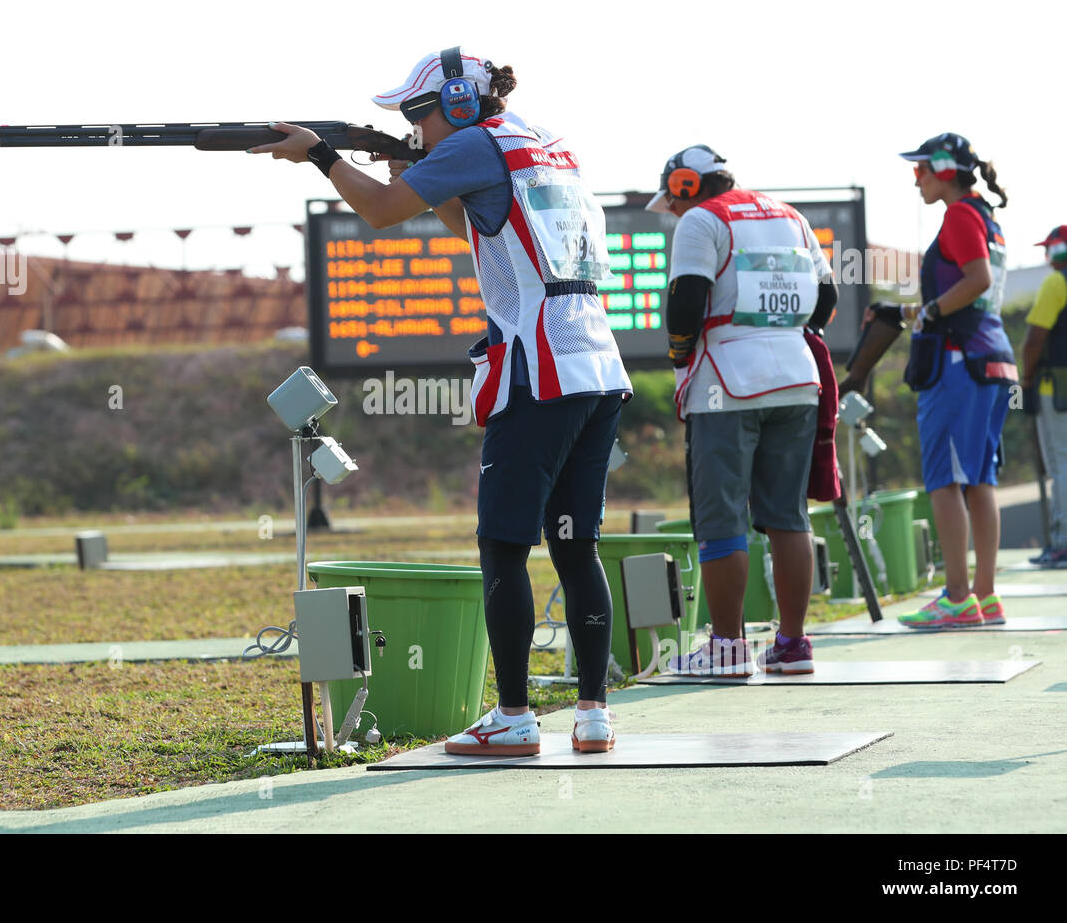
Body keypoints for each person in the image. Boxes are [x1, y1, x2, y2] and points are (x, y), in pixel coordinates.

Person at [250, 48, 632, 756]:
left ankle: (515, 717)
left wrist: (321, 155)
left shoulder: (477, 145)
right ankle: (592, 715)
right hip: (596, 365)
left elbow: (379, 212)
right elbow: (485, 227)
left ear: (457, 106)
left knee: (502, 544)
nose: (412, 126)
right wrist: (415, 172)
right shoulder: (543, 147)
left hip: (537, 369)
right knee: (577, 547)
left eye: (416, 114)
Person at [649, 146, 838, 676]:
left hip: (726, 384)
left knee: (722, 515)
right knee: (787, 515)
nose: (675, 211)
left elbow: (686, 299)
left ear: (686, 186)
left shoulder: (702, 221)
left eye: (674, 200)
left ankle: (727, 648)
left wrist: (679, 354)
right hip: (798, 381)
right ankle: (793, 644)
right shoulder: (792, 217)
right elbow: (826, 298)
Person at [885, 133, 1014, 628]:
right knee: (980, 480)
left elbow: (976, 280)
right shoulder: (986, 215)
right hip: (991, 358)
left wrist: (930, 312)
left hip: (960, 364)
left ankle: (958, 597)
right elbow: (976, 292)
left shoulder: (960, 214)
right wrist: (917, 310)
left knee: (944, 480)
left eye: (919, 170)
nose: (914, 179)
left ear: (942, 170)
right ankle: (983, 594)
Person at [1020, 225, 1067, 567]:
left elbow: (1034, 340)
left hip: (1056, 388)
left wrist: (1025, 382)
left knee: (1060, 465)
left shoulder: (1056, 282)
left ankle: (1062, 542)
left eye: (1048, 249)